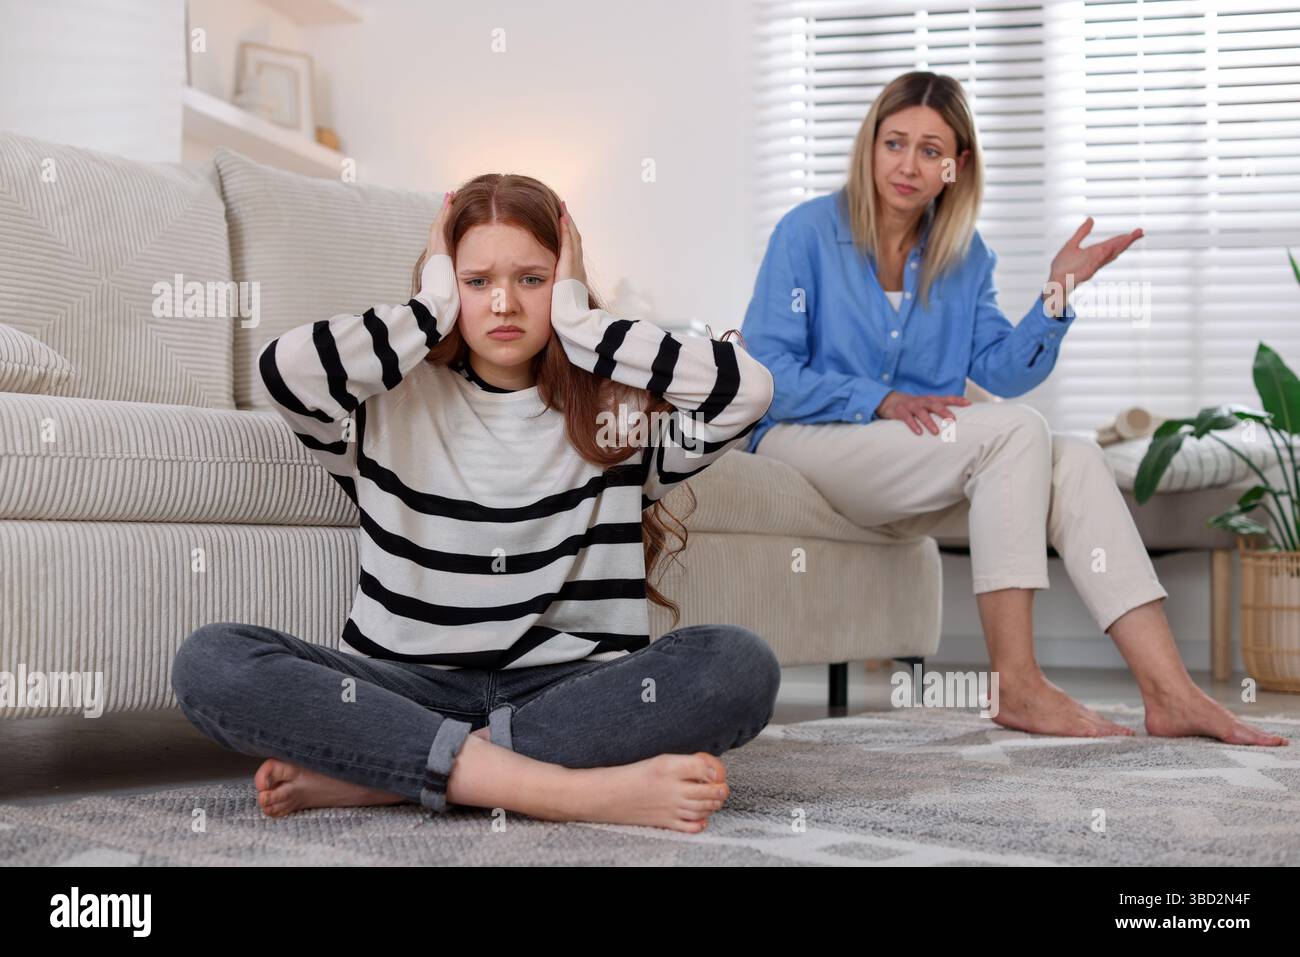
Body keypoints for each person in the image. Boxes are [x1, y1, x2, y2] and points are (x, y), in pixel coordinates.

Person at [172, 175, 782, 832]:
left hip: (568, 687)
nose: (503, 304)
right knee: (210, 661)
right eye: (475, 281)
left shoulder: (619, 411)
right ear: (446, 281)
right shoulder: (386, 400)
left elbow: (747, 393)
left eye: (532, 279)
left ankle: (397, 773)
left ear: (566, 279)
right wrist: (429, 305)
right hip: (403, 685)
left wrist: (583, 324)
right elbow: (281, 369)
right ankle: (567, 790)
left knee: (738, 665)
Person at [741, 70, 1286, 747]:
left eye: (931, 150)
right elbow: (765, 376)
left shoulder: (964, 254)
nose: (909, 165)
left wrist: (1057, 293)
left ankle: (1169, 691)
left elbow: (1001, 368)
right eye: (895, 143)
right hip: (806, 440)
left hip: (905, 458)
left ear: (957, 165)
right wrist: (877, 397)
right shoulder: (806, 234)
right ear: (870, 146)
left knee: (1077, 458)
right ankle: (1018, 683)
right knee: (1016, 432)